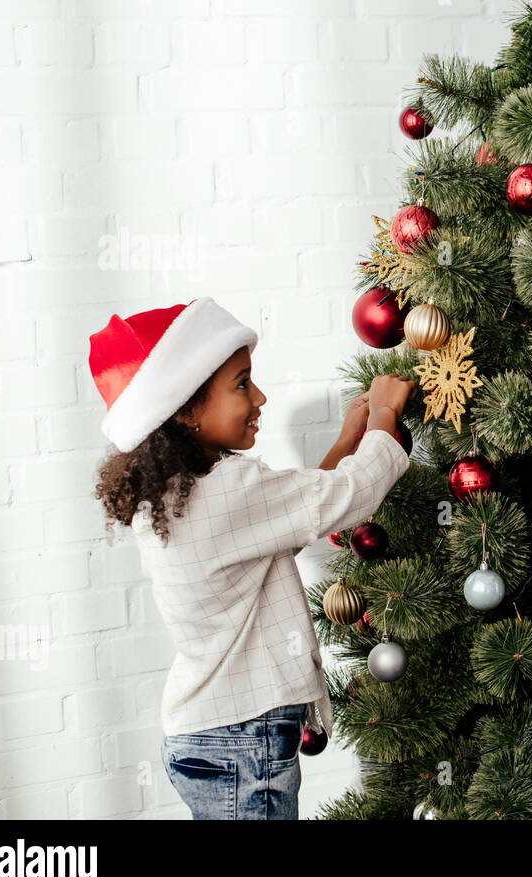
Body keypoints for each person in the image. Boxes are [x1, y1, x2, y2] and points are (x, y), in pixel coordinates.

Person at [90, 296, 416, 819]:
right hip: (243, 738)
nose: (259, 396)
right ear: (186, 407)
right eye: (242, 383)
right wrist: (384, 415)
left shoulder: (170, 499)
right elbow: (350, 494)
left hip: (211, 736)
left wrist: (348, 440)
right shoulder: (227, 491)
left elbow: (283, 524)